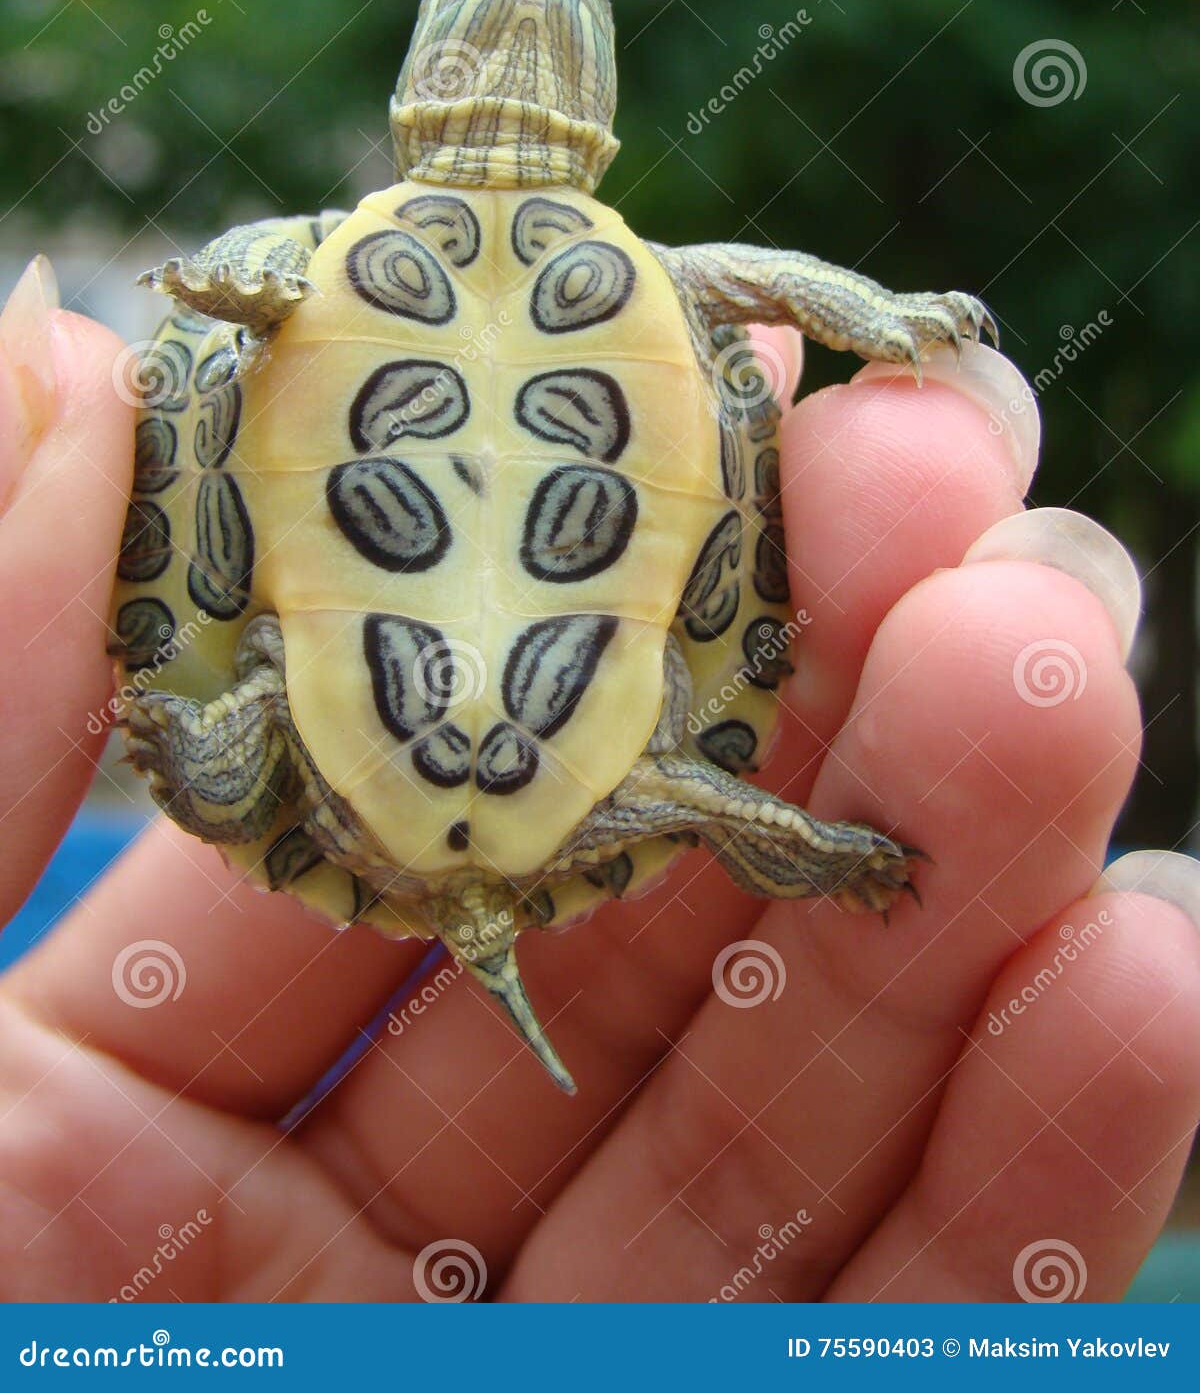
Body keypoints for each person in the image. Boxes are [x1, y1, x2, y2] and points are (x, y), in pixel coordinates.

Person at [0, 254, 1196, 1304]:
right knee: (641, 750)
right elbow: (759, 284)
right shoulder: (596, 280)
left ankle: (244, 765)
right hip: (470, 734)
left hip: (444, 731)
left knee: (602, 740)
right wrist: (871, 314)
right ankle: (777, 836)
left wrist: (876, 316)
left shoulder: (381, 275)